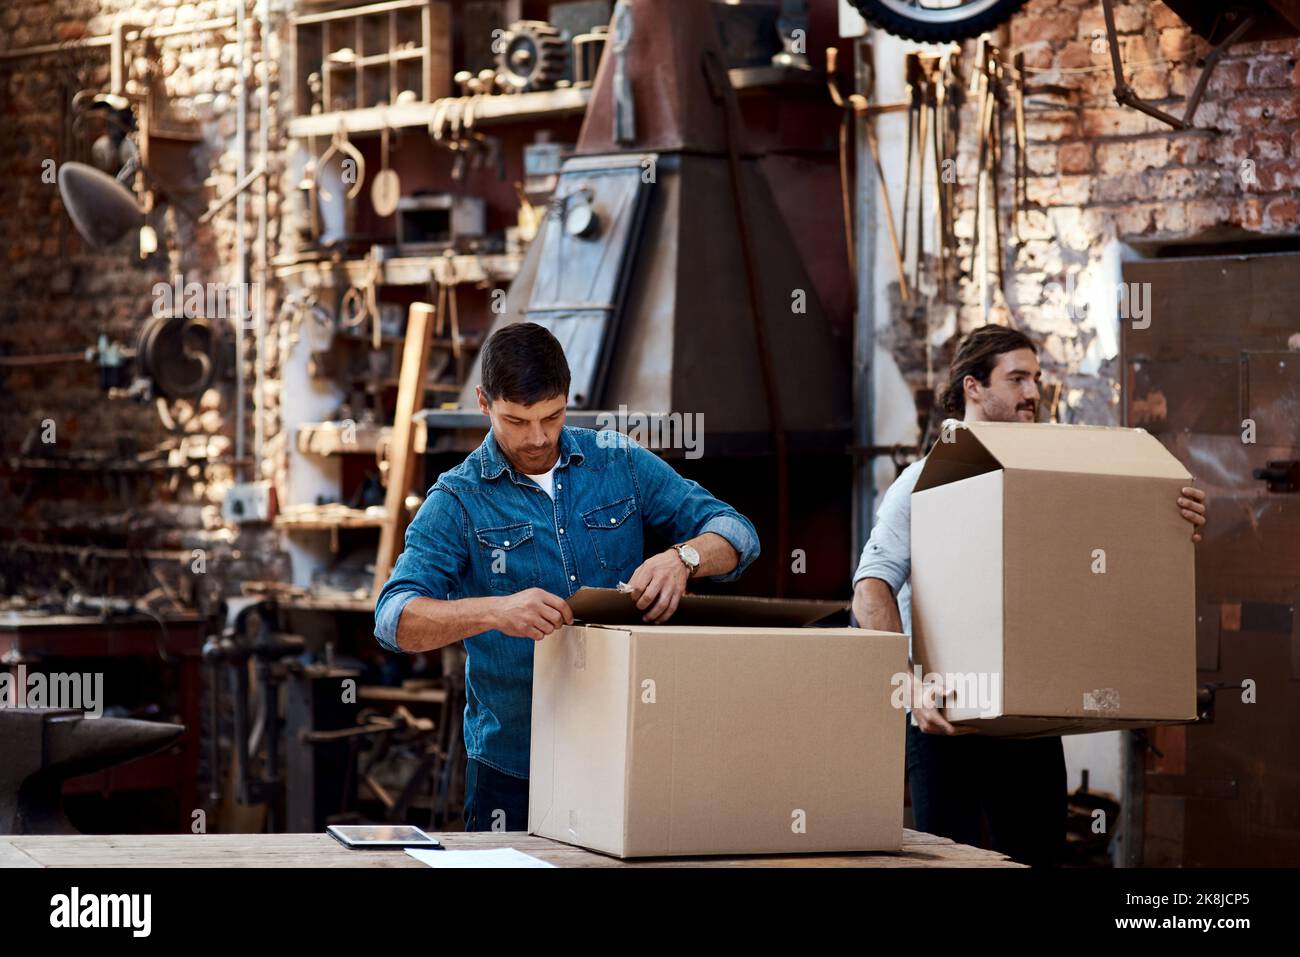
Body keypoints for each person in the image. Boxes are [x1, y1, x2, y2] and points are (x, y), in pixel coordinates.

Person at [374, 322, 760, 831]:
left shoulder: (617, 461)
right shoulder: (457, 500)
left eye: (552, 417)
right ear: (484, 403)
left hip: (628, 749)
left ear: (568, 397)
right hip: (514, 767)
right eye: (516, 420)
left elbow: (737, 532)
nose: (537, 438)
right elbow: (393, 618)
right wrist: (495, 610)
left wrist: (682, 558)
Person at [851, 324, 1207, 866]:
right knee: (950, 866)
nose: (1033, 393)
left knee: (1039, 860)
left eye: (1036, 379)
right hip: (947, 720)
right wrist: (906, 686)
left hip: (1030, 718)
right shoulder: (923, 481)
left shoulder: (1047, 476)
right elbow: (870, 586)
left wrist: (1168, 524)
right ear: (973, 388)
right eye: (1016, 378)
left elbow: (1105, 556)